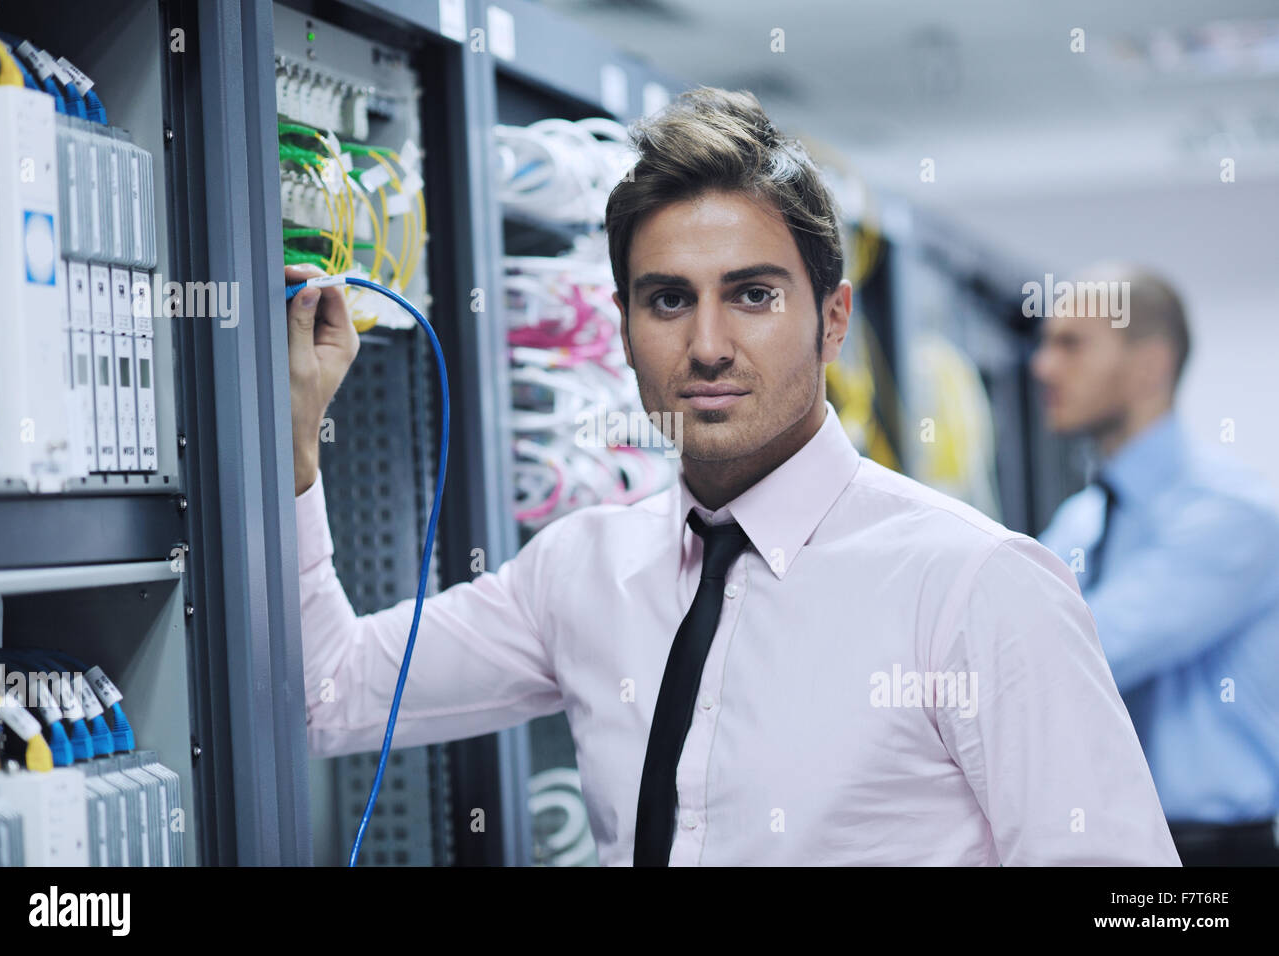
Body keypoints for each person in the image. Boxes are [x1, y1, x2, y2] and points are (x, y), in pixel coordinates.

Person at [288, 88, 1179, 865]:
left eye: (753, 295)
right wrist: (297, 447)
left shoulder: (975, 584)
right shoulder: (581, 572)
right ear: (623, 327)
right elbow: (327, 696)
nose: (707, 346)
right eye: (668, 300)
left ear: (832, 322)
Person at [1032, 265, 1279, 865]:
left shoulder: (1235, 517)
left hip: (1215, 854)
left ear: (1150, 365)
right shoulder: (1079, 522)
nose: (1043, 366)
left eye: (1072, 344)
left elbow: (1077, 652)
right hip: (1104, 851)